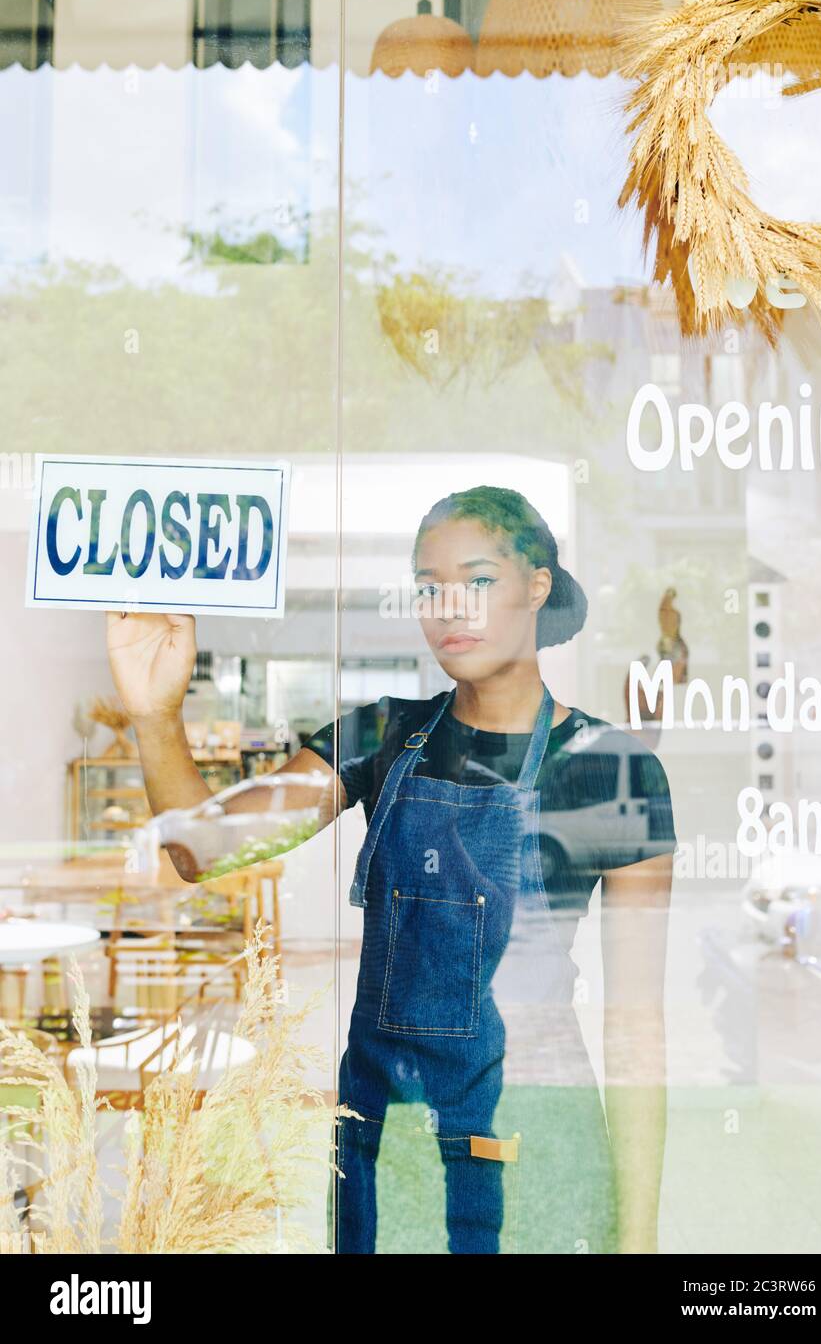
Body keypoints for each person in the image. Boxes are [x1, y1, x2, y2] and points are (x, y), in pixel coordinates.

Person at [106, 484, 675, 1255]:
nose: (450, 608)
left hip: (533, 1137)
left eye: (478, 580)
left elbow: (636, 1026)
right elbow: (203, 850)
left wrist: (638, 1240)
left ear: (537, 585)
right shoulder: (381, 735)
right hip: (388, 1142)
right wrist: (155, 714)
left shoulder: (612, 768)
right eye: (429, 587)